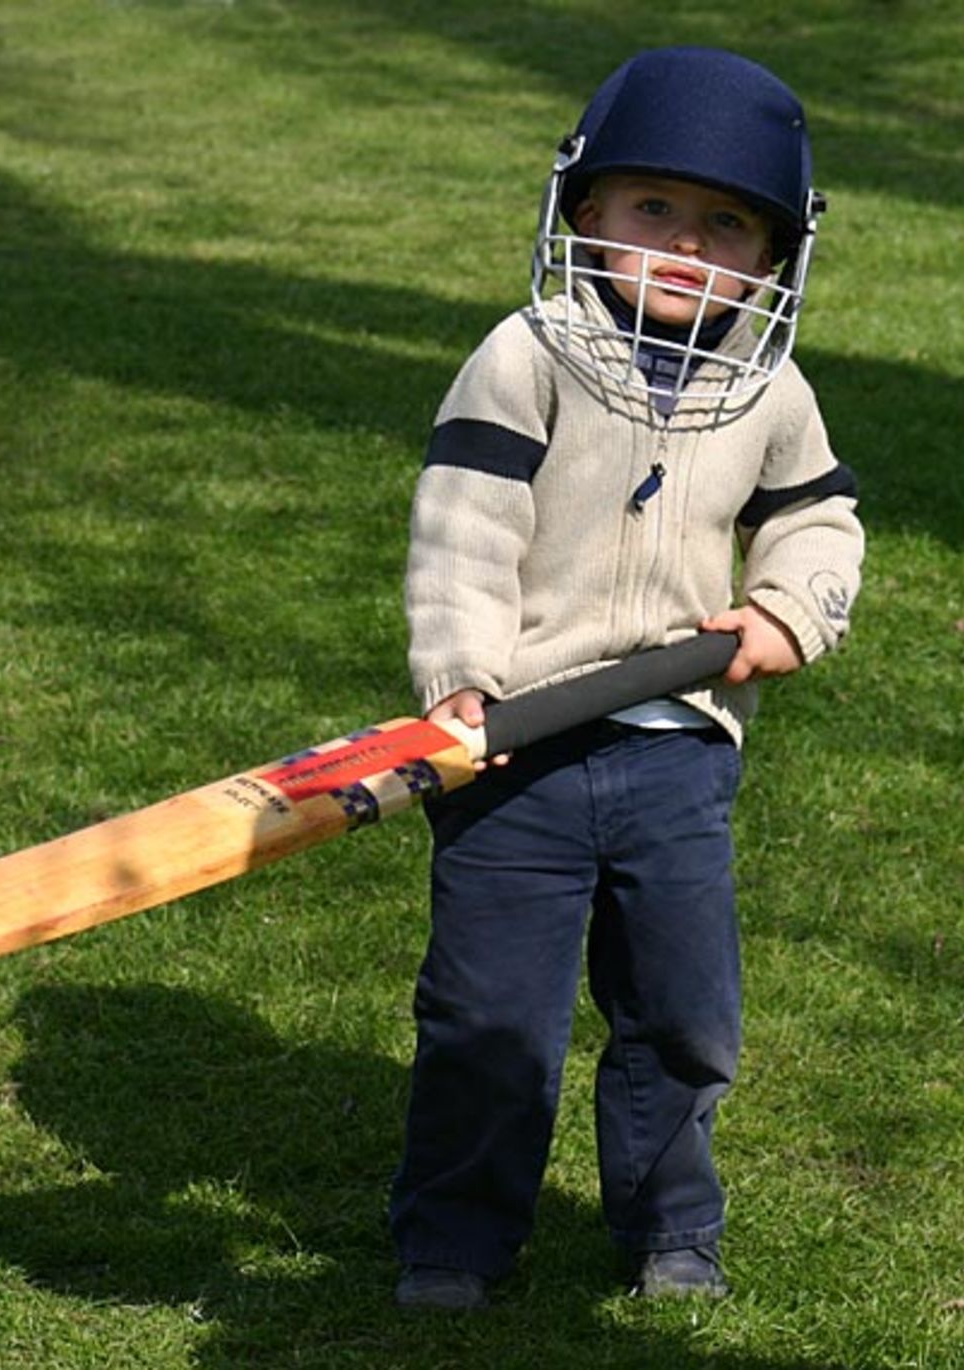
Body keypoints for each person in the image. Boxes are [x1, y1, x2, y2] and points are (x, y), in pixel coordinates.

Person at [389, 45, 864, 1311]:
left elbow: (821, 523)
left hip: (675, 755)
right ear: (585, 210)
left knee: (684, 1015)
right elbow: (465, 530)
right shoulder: (526, 354)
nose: (685, 247)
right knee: (491, 1020)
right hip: (517, 751)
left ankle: (671, 1230)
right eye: (653, 208)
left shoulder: (770, 385)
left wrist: (787, 610)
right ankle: (454, 1240)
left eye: (727, 225)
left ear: (776, 254)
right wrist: (463, 680)